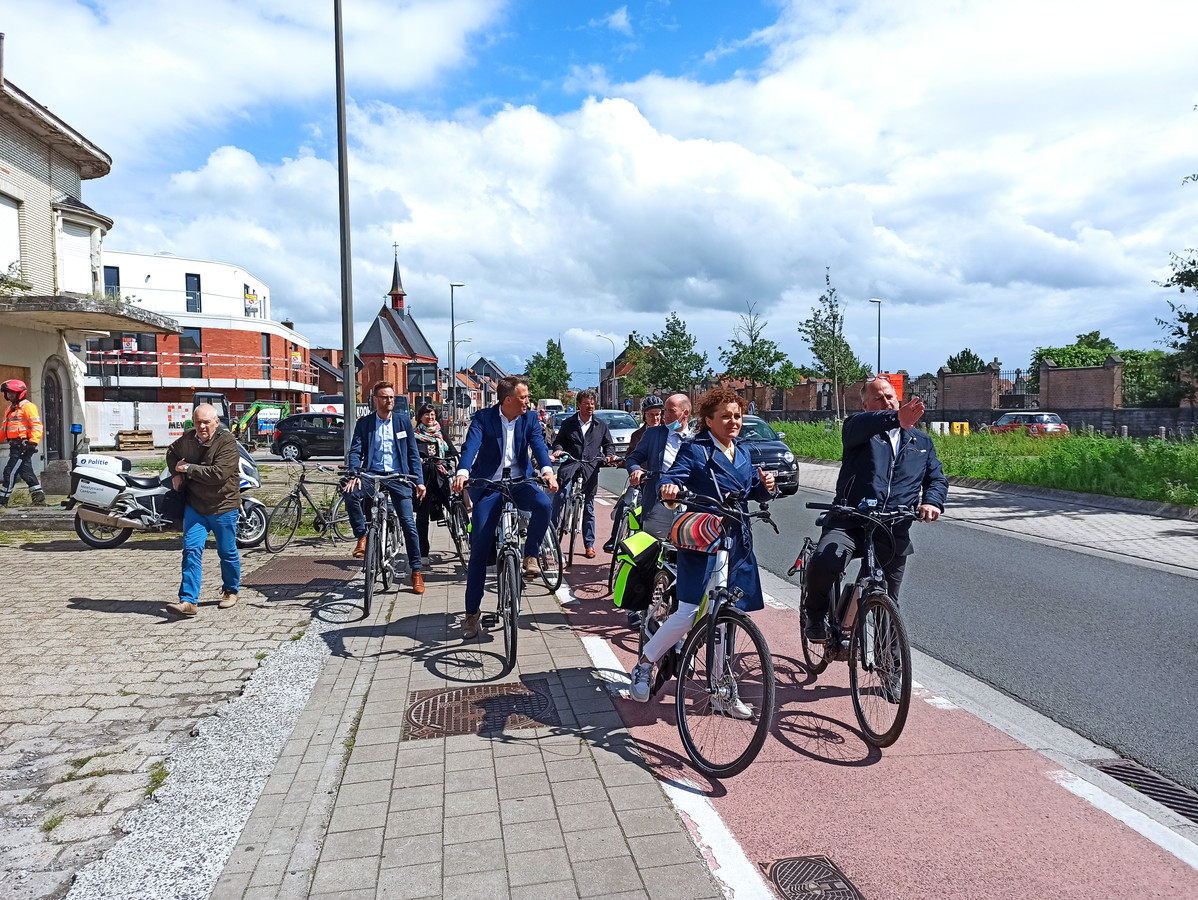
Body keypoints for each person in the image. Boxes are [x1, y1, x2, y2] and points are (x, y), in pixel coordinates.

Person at [627, 387, 775, 707]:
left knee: (731, 614)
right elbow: (676, 478)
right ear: (708, 420)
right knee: (688, 612)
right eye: (725, 416)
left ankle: (722, 688)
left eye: (737, 416)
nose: (733, 421)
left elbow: (750, 490)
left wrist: (765, 489)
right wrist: (671, 487)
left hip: (736, 541)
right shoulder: (696, 450)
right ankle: (644, 663)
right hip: (701, 539)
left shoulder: (744, 452)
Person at [802, 377, 948, 642]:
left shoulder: (922, 442)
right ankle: (814, 614)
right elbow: (860, 425)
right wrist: (894, 419)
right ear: (866, 404)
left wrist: (932, 501)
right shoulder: (859, 430)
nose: (887, 402)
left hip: (892, 528)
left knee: (887, 602)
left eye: (890, 397)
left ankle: (890, 669)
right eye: (879, 398)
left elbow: (936, 478)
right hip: (849, 520)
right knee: (827, 560)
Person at [452, 375, 558, 639]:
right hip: (489, 484)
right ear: (508, 400)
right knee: (478, 550)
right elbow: (470, 447)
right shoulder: (483, 419)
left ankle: (530, 555)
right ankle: (471, 614)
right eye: (524, 397)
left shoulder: (530, 419)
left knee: (544, 504)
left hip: (520, 481)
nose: (528, 402)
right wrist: (463, 472)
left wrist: (547, 471)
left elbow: (539, 446)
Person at [344, 382, 427, 594]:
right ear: (375, 400)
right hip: (372, 475)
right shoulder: (365, 424)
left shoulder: (403, 422)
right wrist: (355, 474)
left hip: (398, 477)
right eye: (384, 397)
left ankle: (416, 571)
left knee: (409, 523)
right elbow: (355, 451)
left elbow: (412, 454)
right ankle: (362, 536)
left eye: (391, 397)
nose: (389, 401)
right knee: (351, 494)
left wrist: (418, 480)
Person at [164, 404, 243, 617]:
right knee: (191, 550)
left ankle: (230, 590)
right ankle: (188, 601)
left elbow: (219, 474)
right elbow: (171, 452)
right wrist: (175, 473)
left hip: (223, 506)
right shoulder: (188, 439)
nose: (202, 426)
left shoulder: (227, 442)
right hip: (196, 507)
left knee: (226, 552)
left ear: (216, 423)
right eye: (198, 422)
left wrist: (188, 468)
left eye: (206, 422)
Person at [602, 393, 679, 554]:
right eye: (651, 415)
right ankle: (614, 538)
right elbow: (632, 455)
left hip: (661, 482)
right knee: (625, 505)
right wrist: (631, 467)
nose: (655, 418)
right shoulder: (638, 435)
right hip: (641, 480)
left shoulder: (669, 432)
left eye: (658, 414)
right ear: (644, 415)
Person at [550, 390, 616, 558]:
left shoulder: (600, 425)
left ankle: (589, 545)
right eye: (586, 403)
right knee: (561, 496)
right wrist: (558, 451)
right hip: (571, 465)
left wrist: (609, 455)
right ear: (579, 405)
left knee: (588, 506)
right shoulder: (568, 423)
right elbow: (559, 442)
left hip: (590, 468)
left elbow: (608, 444)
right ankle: (551, 537)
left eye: (592, 404)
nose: (590, 407)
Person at [413, 402, 456, 561]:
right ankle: (423, 553)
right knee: (422, 517)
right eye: (426, 414)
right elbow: (410, 454)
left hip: (441, 476)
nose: (430, 417)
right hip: (424, 479)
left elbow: (452, 451)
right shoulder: (415, 435)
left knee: (455, 506)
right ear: (420, 417)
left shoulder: (441, 433)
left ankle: (466, 537)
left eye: (432, 414)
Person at [1, 380, 45, 507]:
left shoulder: (28, 407)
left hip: (24, 446)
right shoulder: (10, 409)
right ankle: (39, 498)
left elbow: (37, 426)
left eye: (12, 393)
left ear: (20, 393)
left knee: (9, 472)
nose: (9, 395)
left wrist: (33, 443)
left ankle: (2, 501)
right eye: (8, 392)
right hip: (15, 446)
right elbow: (4, 430)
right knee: (26, 472)